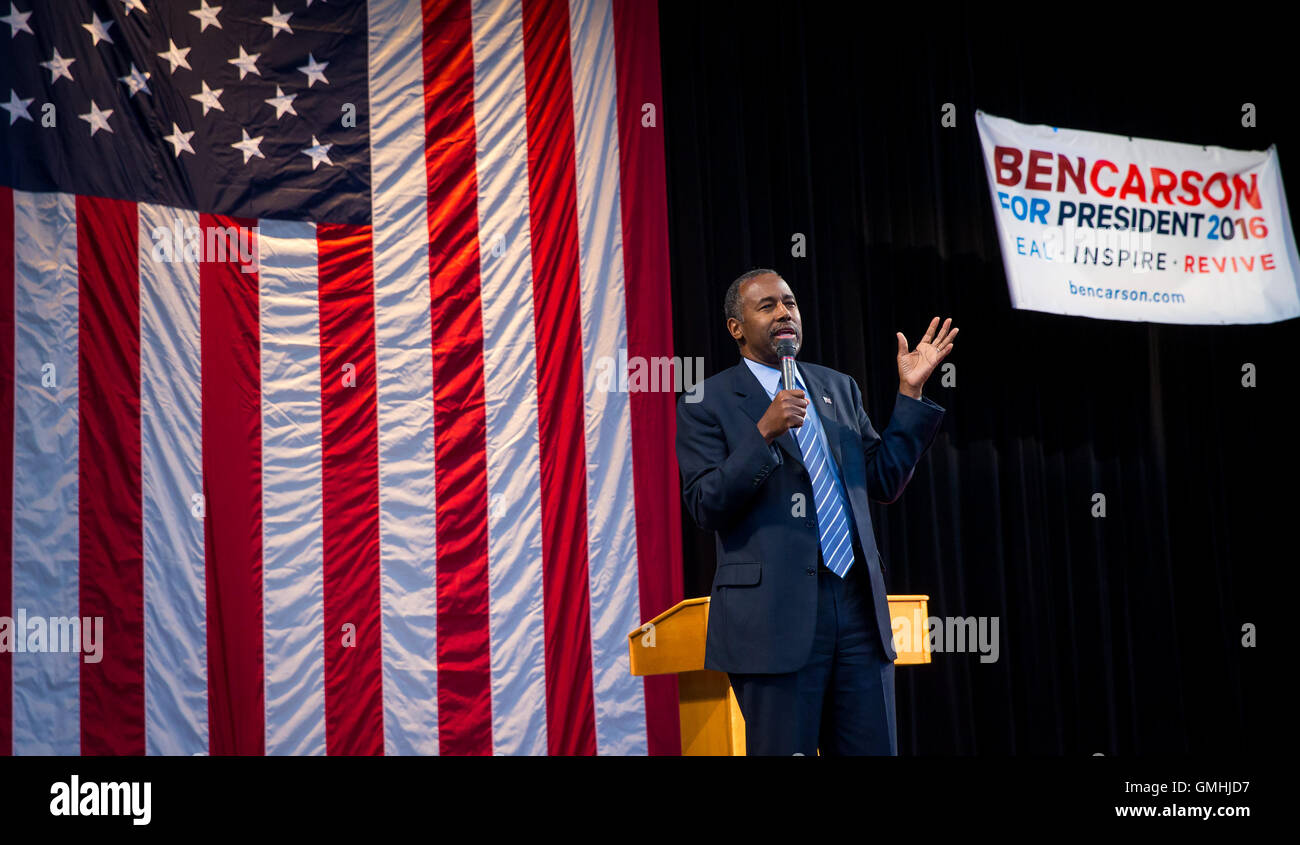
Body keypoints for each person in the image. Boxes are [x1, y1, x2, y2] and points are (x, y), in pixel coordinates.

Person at [674, 268, 957, 755]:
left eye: (790, 303)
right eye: (767, 306)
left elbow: (884, 481)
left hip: (857, 612)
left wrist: (909, 396)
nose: (785, 313)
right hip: (772, 622)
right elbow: (706, 504)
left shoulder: (837, 387)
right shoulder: (707, 401)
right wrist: (761, 433)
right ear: (735, 327)